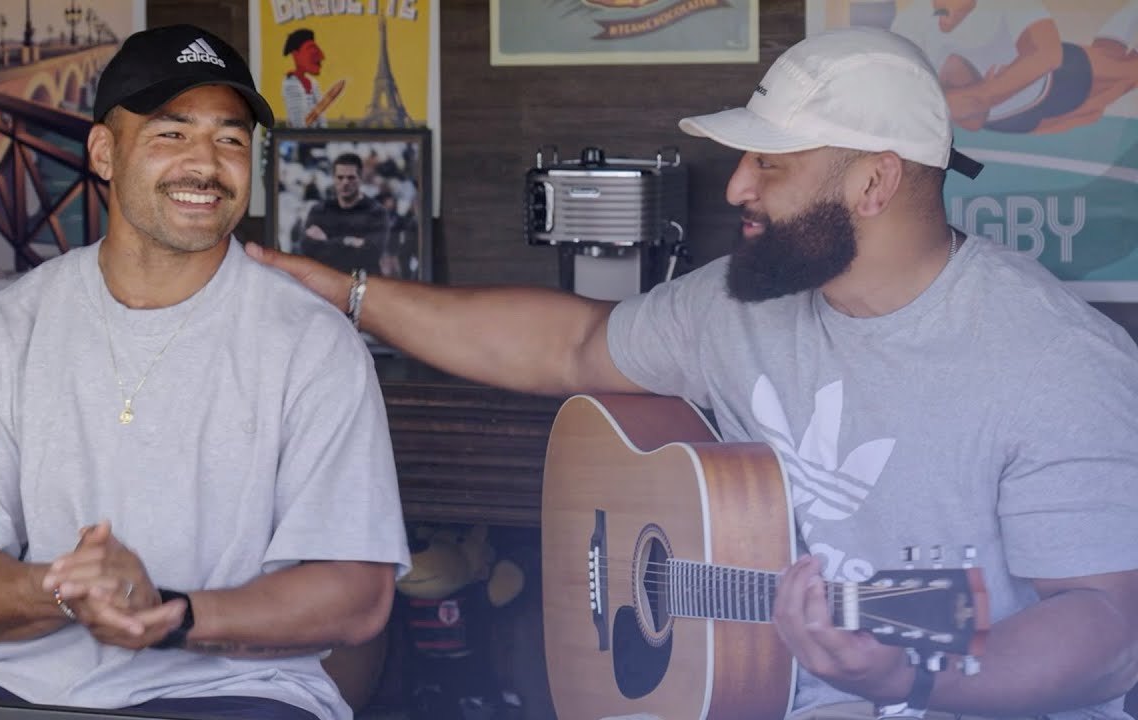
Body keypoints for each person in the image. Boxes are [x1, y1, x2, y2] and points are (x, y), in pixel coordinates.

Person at [247, 26, 1138, 720]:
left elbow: (1103, 630)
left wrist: (909, 670)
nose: (736, 188)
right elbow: (569, 349)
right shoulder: (740, 304)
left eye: (770, 165)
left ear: (874, 184)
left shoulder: (1055, 364)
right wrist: (347, 291)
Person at [0, 24, 409, 720]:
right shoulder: (0, 334)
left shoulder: (312, 342)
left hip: (237, 693)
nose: (206, 164)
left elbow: (357, 594)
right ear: (104, 152)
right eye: (171, 133)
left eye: (230, 139)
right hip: (25, 689)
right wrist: (68, 587)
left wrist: (171, 613)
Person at [889, 0, 1138, 133]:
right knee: (1096, 109)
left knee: (1126, 73)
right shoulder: (910, 24)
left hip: (1062, 78)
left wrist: (983, 95)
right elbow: (967, 118)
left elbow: (1047, 54)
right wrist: (987, 93)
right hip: (1013, 122)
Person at [300, 152, 393, 277]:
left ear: (360, 178)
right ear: (333, 178)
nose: (345, 182)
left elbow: (371, 255)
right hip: (327, 282)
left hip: (363, 283)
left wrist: (327, 242)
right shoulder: (319, 210)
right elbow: (308, 249)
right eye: (340, 177)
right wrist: (347, 241)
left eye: (351, 177)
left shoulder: (376, 213)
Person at [282, 28, 330, 128]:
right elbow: (298, 123)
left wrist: (324, 132)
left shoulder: (313, 83)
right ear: (296, 55)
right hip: (302, 138)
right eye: (311, 50)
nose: (321, 57)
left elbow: (321, 114)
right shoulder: (291, 84)